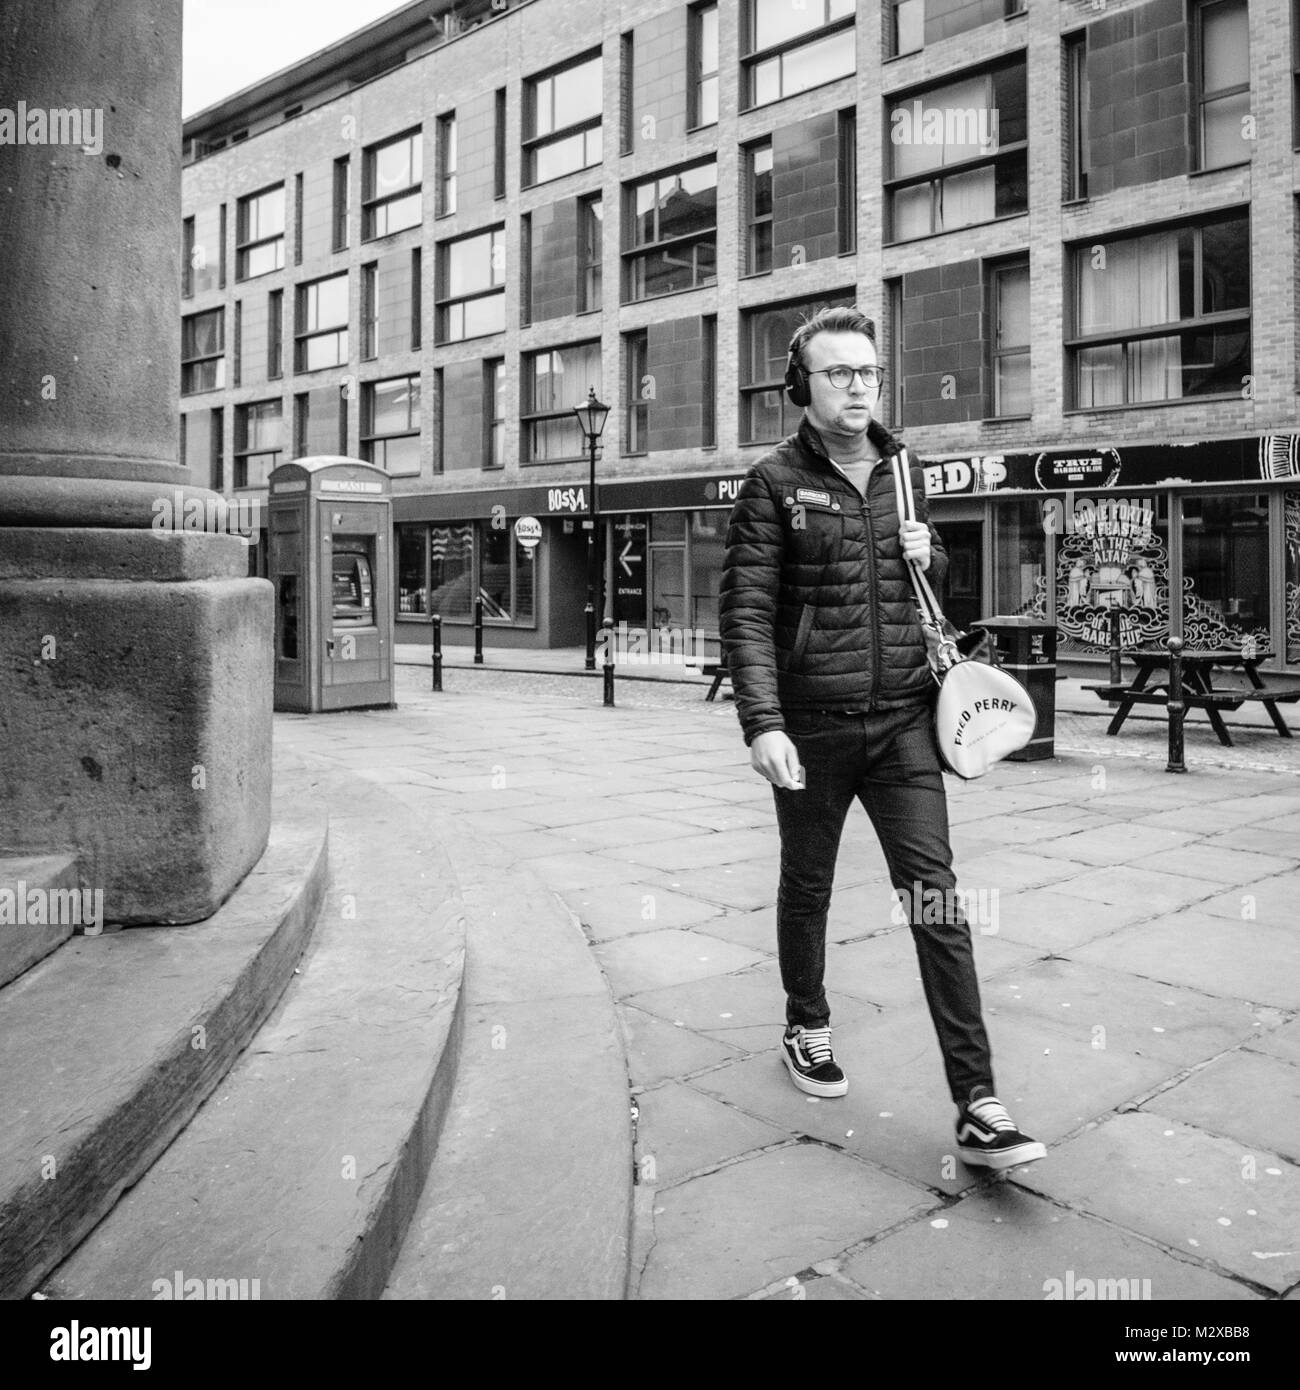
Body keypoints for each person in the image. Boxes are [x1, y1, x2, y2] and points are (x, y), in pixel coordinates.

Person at [718, 305, 1045, 1171]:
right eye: (840, 373)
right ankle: (807, 1023)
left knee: (936, 897)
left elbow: (924, 590)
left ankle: (978, 1103)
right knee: (808, 885)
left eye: (868, 373)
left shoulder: (907, 472)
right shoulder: (774, 484)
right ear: (803, 385)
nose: (859, 387)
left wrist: (930, 553)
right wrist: (763, 723)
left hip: (904, 720)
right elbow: (746, 614)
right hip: (814, 725)